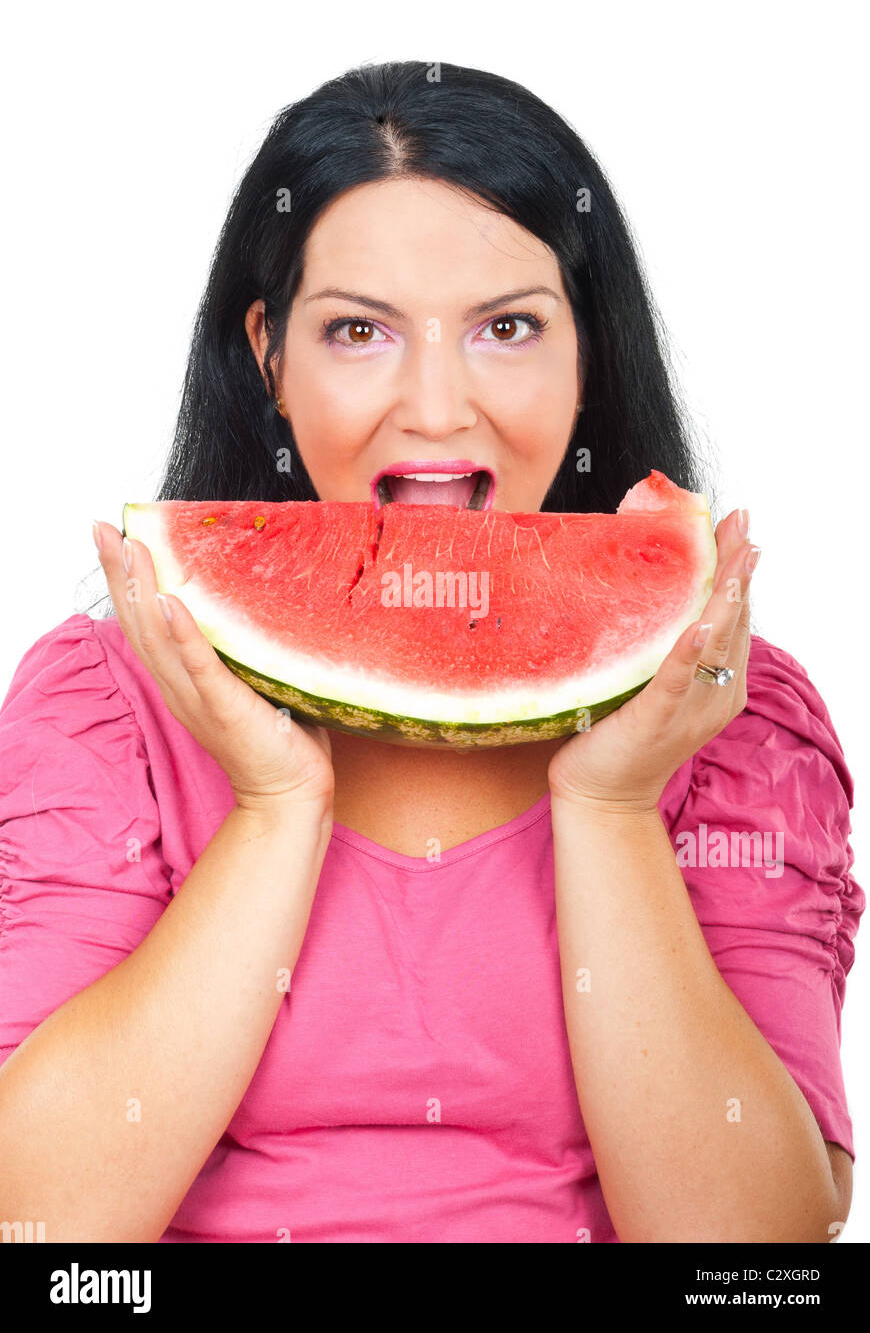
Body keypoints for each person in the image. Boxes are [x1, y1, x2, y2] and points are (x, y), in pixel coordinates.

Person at [0, 61, 862, 1243]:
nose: (440, 408)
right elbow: (43, 1224)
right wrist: (272, 804)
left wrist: (611, 810)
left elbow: (751, 1259)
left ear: (588, 353)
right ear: (268, 357)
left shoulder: (728, 719)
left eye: (509, 327)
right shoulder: (107, 706)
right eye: (360, 330)